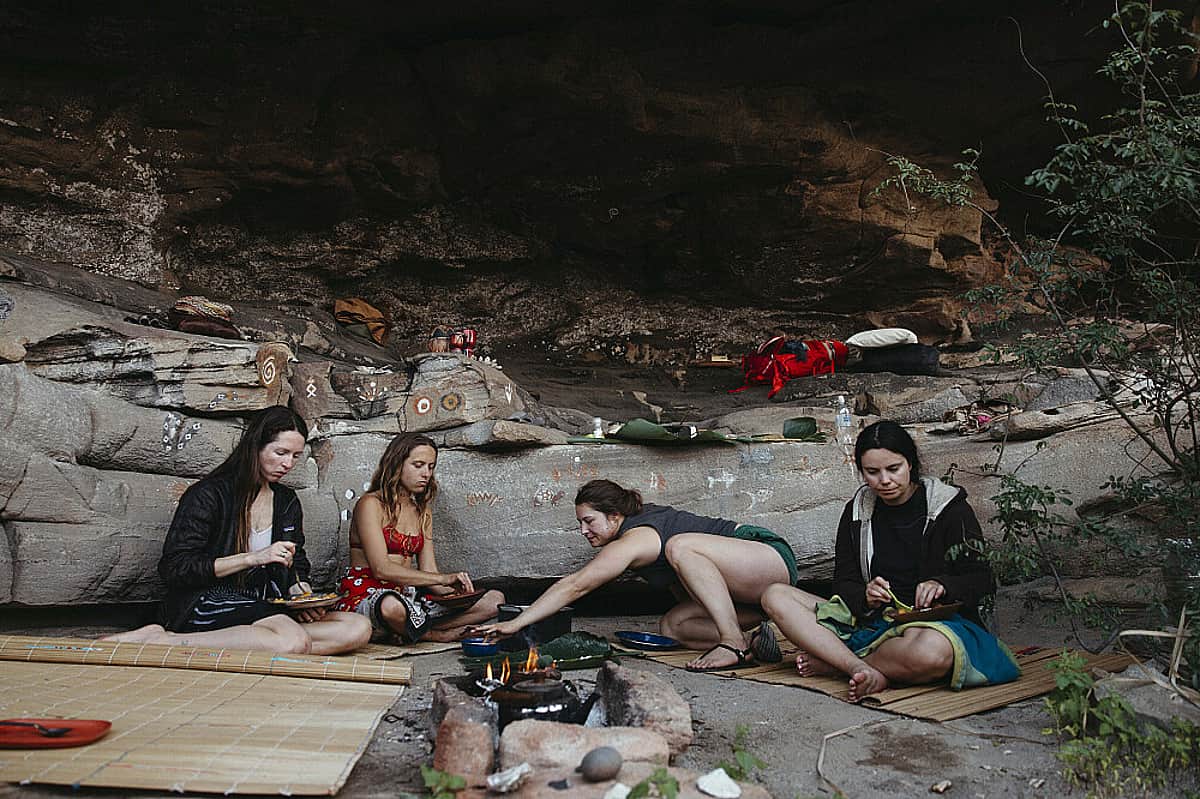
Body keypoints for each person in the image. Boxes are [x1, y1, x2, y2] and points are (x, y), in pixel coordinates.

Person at [759, 420, 1019, 701]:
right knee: (776, 595)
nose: (884, 480)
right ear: (861, 471)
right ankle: (857, 667)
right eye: (872, 472)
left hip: (934, 624)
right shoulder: (857, 512)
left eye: (893, 469)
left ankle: (833, 662)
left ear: (911, 464)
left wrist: (941, 585)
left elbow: (981, 579)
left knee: (930, 653)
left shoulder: (949, 508)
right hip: (871, 622)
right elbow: (842, 583)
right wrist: (865, 595)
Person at [103, 407, 371, 654]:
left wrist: (301, 596)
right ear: (255, 446)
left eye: (296, 456)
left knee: (357, 628)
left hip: (265, 603)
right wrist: (253, 558)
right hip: (208, 601)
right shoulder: (209, 494)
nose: (288, 464)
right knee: (293, 640)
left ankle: (263, 643)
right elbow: (176, 568)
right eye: (281, 453)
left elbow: (296, 562)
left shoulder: (287, 500)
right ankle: (165, 641)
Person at [471, 478, 799, 671]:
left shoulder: (635, 538)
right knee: (673, 625)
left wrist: (516, 623)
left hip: (766, 556)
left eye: (589, 521)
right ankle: (755, 638)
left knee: (681, 547)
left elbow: (576, 585)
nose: (584, 531)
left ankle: (731, 643)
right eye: (580, 524)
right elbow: (692, 588)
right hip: (749, 591)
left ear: (614, 516)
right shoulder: (630, 535)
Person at [333, 433, 505, 643]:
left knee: (495, 600)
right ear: (397, 464)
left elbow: (429, 572)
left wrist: (454, 592)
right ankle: (433, 634)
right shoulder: (370, 504)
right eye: (418, 465)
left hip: (409, 598)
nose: (426, 473)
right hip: (370, 596)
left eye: (431, 467)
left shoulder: (422, 511)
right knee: (391, 606)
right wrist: (443, 578)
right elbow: (381, 569)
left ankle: (406, 630)